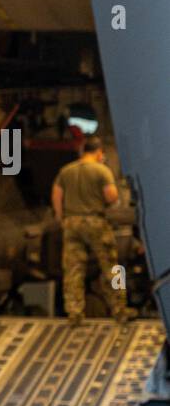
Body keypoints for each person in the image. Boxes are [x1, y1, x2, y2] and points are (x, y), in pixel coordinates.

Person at [51, 136, 134, 326]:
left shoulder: (66, 171)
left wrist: (60, 216)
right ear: (98, 152)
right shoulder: (102, 170)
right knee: (112, 267)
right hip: (95, 222)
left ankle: (74, 312)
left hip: (71, 223)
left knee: (73, 269)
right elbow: (112, 196)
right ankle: (120, 310)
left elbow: (56, 194)